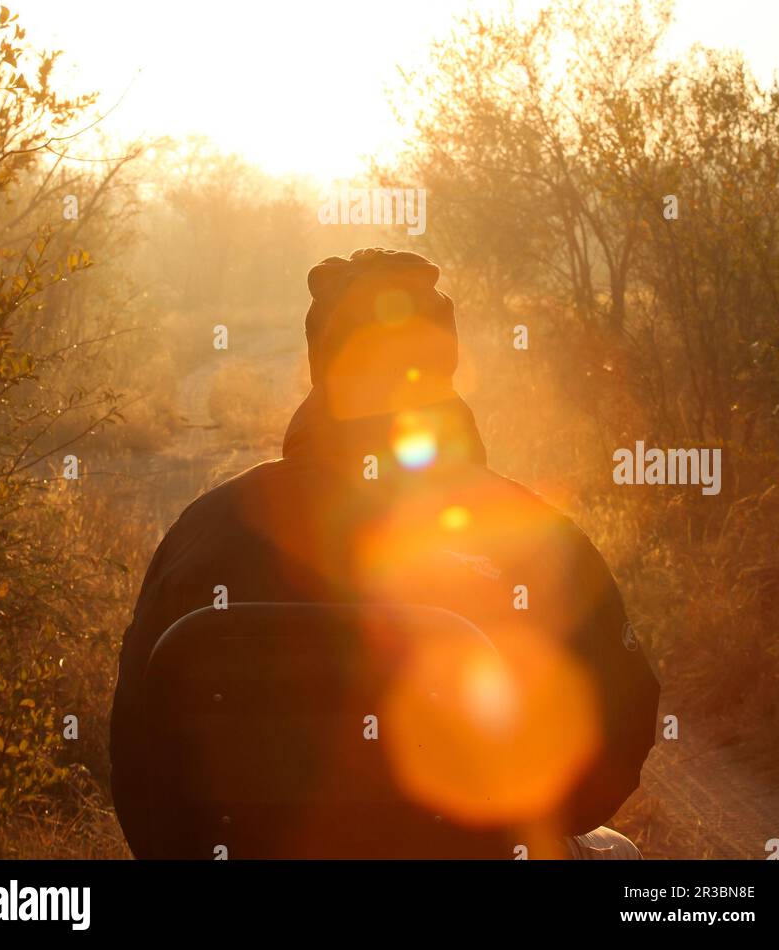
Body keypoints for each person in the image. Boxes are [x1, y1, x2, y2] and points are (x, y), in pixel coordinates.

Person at [110, 247, 659, 858]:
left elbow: (140, 779)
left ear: (320, 368)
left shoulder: (203, 533)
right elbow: (610, 760)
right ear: (444, 366)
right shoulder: (531, 534)